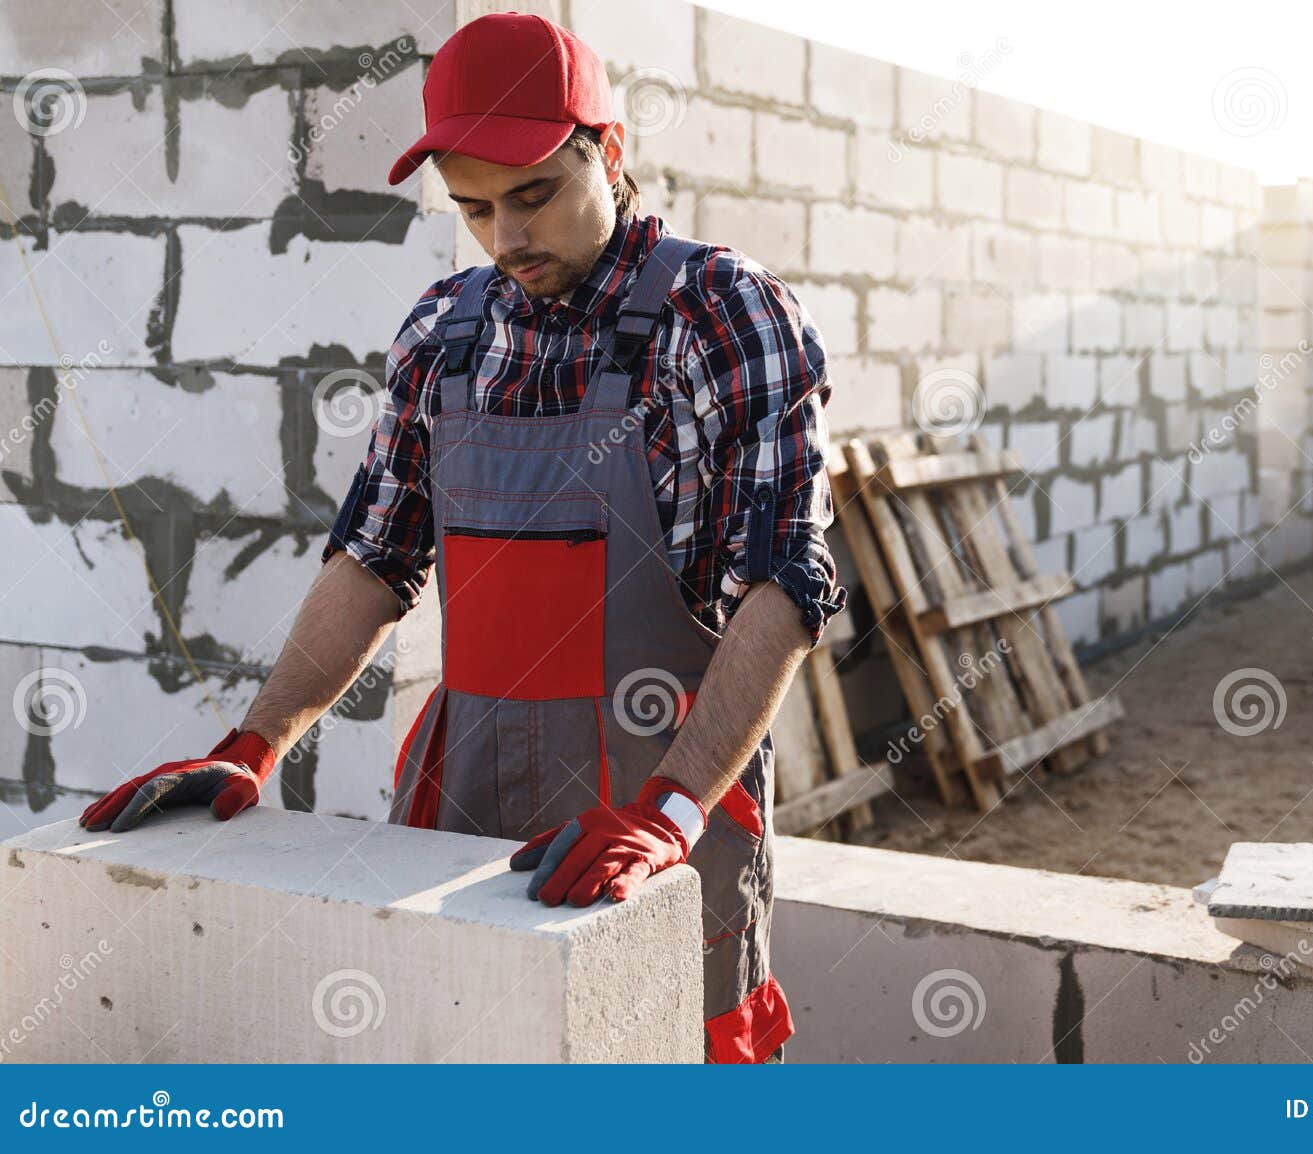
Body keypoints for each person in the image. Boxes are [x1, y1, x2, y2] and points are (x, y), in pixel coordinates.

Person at [77, 12, 847, 1065]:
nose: (507, 237)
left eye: (533, 194)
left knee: (668, 1065)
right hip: (462, 799)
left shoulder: (724, 314)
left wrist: (669, 813)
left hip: (660, 799)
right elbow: (372, 559)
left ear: (608, 155)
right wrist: (251, 746)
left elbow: (787, 582)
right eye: (476, 207)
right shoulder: (444, 333)